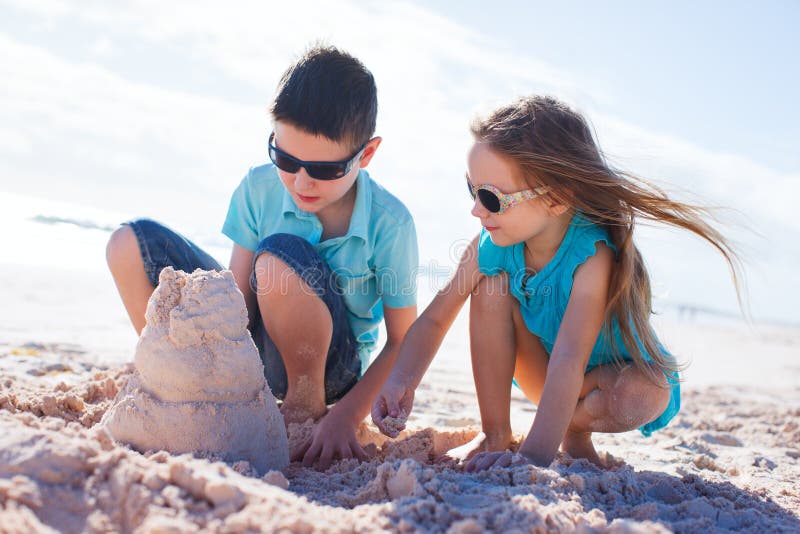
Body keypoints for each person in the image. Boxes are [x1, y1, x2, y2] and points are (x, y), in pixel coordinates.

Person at [371, 95, 742, 470]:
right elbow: (436, 318)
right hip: (547, 378)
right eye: (472, 190)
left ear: (557, 199)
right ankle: (495, 433)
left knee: (644, 394)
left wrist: (532, 458)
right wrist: (402, 380)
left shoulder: (593, 255)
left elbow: (569, 357)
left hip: (611, 385)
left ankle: (571, 430)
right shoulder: (492, 245)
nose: (476, 209)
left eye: (491, 198)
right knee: (490, 287)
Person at [106, 45, 418, 470]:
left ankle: (302, 408)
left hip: (331, 371)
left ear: (366, 154)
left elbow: (404, 338)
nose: (301, 181)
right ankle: (181, 379)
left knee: (277, 257)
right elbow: (238, 302)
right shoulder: (258, 187)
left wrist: (346, 416)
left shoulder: (390, 224)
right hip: (256, 343)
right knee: (128, 242)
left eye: (325, 170)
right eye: (286, 159)